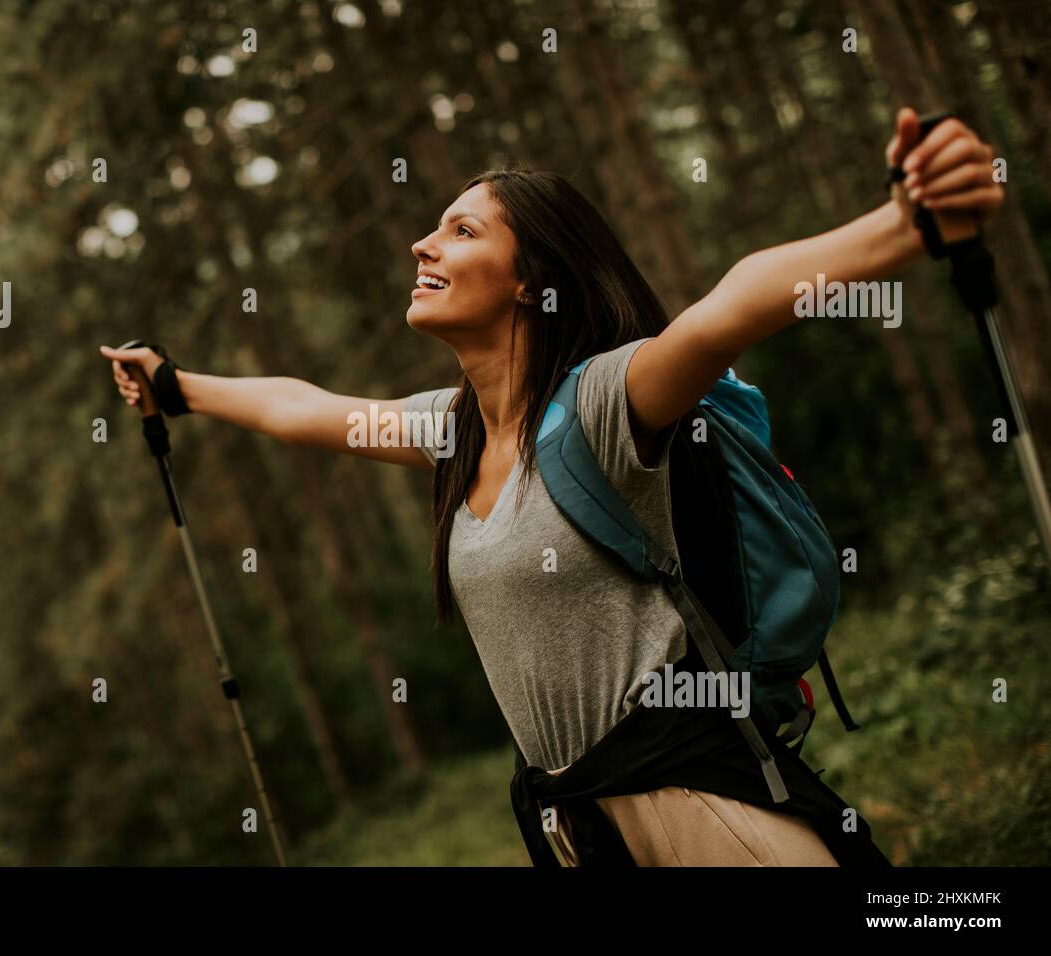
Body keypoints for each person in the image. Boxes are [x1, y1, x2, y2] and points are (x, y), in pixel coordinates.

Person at [100, 107, 1003, 866]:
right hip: (578, 833)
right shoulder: (449, 431)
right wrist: (178, 388)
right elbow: (304, 409)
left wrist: (903, 224)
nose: (421, 242)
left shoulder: (606, 405)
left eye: (462, 230)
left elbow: (729, 309)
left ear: (530, 283)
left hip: (696, 813)